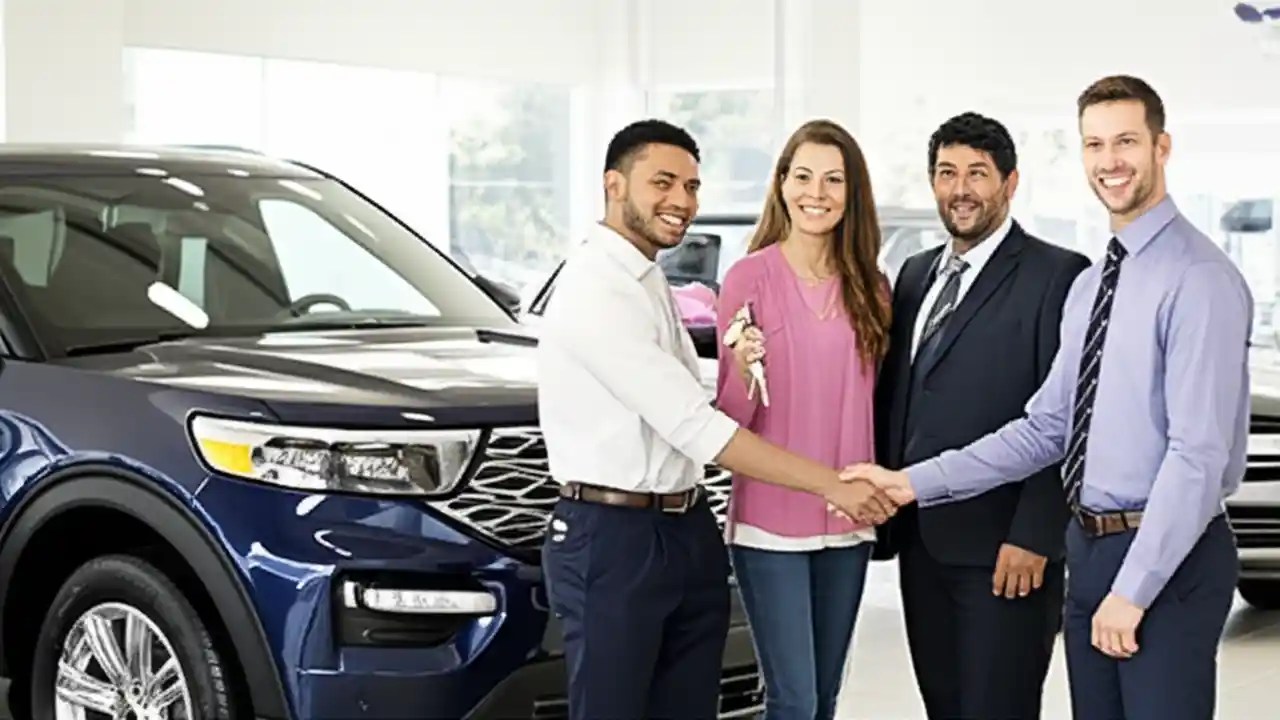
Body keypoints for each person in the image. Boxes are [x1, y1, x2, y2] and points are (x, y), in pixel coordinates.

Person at [848, 75, 1252, 720]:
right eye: (1095, 144)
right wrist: (911, 483)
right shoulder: (1097, 282)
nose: (1110, 161)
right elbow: (1045, 429)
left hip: (1163, 555)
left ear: (1161, 147)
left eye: (1126, 141)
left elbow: (1197, 455)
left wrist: (1136, 588)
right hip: (1090, 547)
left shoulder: (1198, 279)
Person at [536, 118, 896, 720]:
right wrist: (834, 484)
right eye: (663, 182)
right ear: (614, 185)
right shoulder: (597, 288)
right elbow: (701, 427)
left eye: (692, 186)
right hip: (613, 533)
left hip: (682, 524)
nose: (681, 201)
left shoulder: (649, 280)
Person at [871, 111, 1090, 719]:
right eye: (946, 173)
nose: (960, 189)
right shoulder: (915, 274)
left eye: (977, 174)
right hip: (923, 542)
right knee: (943, 705)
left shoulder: (1059, 275)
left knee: (1000, 708)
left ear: (1010, 183)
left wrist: (1037, 533)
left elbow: (1069, 420)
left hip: (1007, 550)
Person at [714, 119, 892, 720]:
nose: (816, 192)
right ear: (782, 184)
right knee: (792, 699)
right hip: (769, 519)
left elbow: (878, 399)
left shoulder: (873, 287)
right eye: (803, 176)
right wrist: (741, 366)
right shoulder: (748, 278)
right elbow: (732, 419)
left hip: (850, 518)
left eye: (833, 179)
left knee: (824, 697)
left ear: (852, 193)